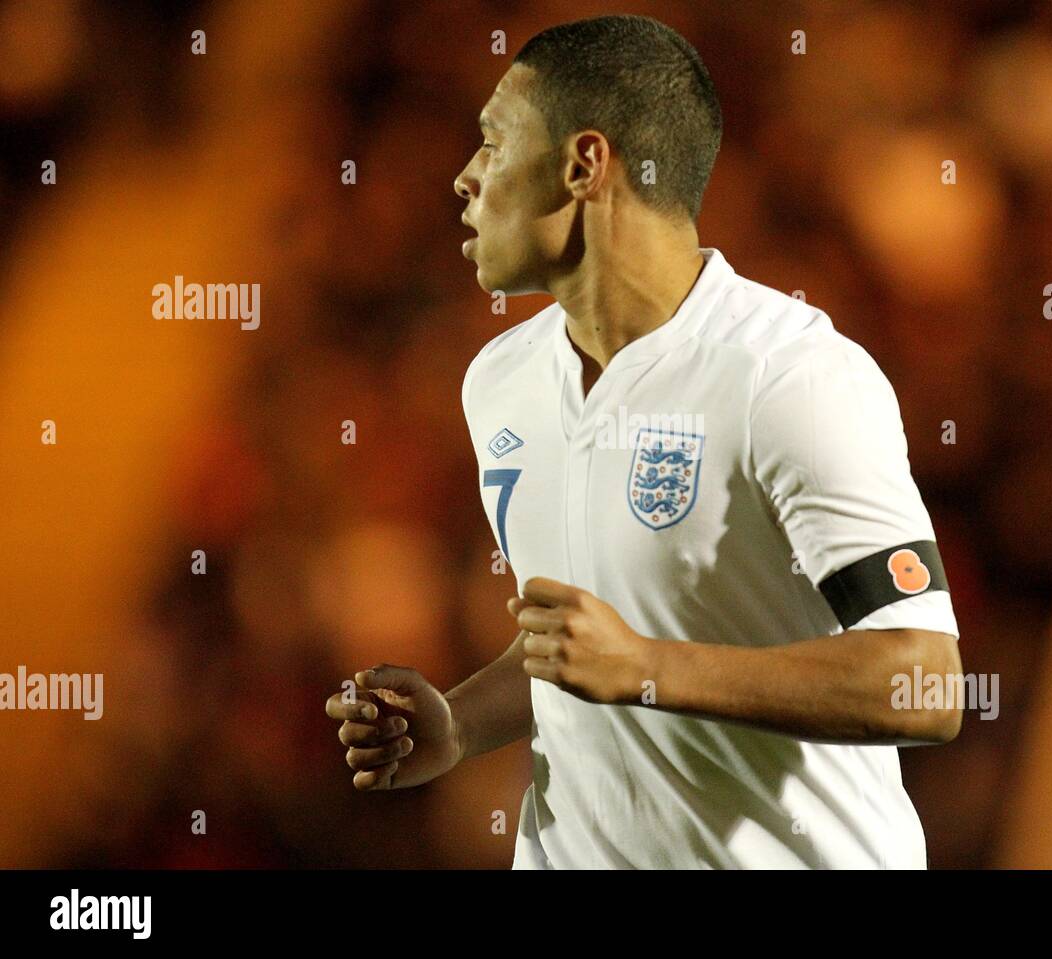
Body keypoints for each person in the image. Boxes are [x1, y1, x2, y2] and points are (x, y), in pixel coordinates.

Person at [327, 13, 962, 869]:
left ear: (585, 164)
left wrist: (650, 667)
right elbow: (580, 640)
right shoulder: (500, 380)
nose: (463, 178)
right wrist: (457, 724)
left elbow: (924, 681)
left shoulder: (790, 377)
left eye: (492, 143)